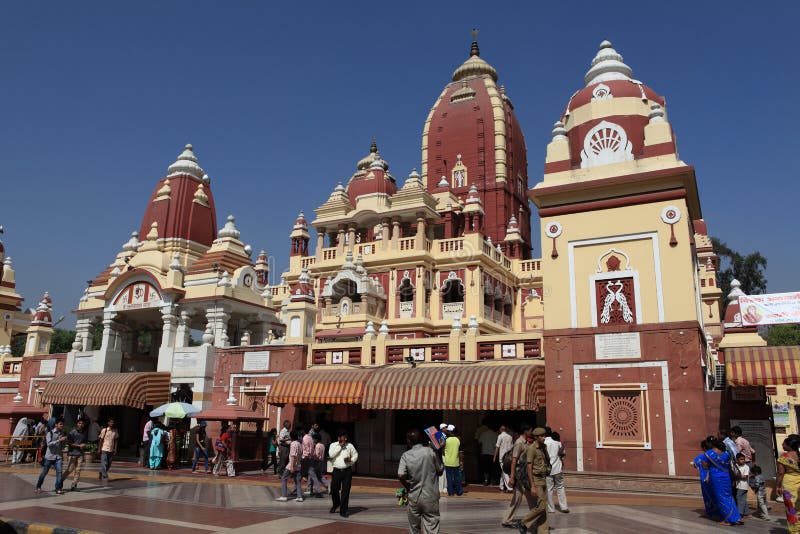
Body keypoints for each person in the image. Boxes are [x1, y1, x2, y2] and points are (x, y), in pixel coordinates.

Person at [399, 429, 444, 534]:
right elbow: (440, 470)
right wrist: (439, 452)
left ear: (409, 441)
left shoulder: (406, 455)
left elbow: (401, 475)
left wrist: (407, 486)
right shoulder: (431, 452)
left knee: (414, 528)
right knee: (432, 526)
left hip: (414, 496)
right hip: (430, 496)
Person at [703, 436, 742, 526]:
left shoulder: (709, 453)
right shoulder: (726, 454)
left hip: (716, 478)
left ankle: (729, 519)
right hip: (726, 477)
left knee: (721, 498)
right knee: (729, 496)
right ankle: (736, 517)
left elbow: (705, 465)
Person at [502, 423, 535, 528]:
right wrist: (512, 477)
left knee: (517, 498)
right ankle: (536, 518)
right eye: (530, 430)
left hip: (523, 474)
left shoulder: (526, 442)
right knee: (531, 498)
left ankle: (507, 520)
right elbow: (514, 460)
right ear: (526, 431)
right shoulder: (519, 442)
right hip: (521, 475)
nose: (531, 432)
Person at [519, 428, 549, 534]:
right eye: (541, 436)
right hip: (536, 479)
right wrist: (532, 485)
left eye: (544, 435)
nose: (544, 437)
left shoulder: (543, 447)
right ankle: (524, 522)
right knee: (541, 507)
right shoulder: (532, 448)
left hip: (543, 478)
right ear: (536, 437)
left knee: (544, 507)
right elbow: (529, 467)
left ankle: (543, 531)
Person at [329, 429, 358, 517]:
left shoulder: (350, 446)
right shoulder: (333, 445)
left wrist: (351, 460)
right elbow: (331, 455)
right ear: (338, 438)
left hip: (347, 471)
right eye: (341, 437)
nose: (343, 439)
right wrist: (340, 447)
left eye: (344, 437)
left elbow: (355, 455)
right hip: (336, 471)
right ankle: (336, 503)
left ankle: (343, 510)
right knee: (334, 489)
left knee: (345, 491)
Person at [34, 418, 67, 495]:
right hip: (49, 456)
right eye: (60, 424)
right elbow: (49, 444)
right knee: (44, 472)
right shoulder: (50, 433)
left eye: (62, 424)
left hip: (58, 456)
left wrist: (64, 442)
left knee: (59, 472)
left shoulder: (62, 433)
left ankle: (58, 488)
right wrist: (59, 440)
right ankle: (38, 486)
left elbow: (62, 445)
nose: (62, 426)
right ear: (56, 425)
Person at [776, 435, 800, 533]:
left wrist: (778, 486)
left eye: (784, 443)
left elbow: (781, 473)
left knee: (791, 509)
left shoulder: (784, 456)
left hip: (789, 485)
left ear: (789, 445)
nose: (782, 444)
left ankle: (795, 530)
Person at [690, 440, 717, 519]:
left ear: (703, 447)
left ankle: (710, 512)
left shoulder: (701, 456)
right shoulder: (715, 455)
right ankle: (717, 512)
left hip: (704, 479)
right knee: (714, 495)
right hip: (715, 478)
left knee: (707, 496)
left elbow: (695, 465)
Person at [544, 430, 568, 514]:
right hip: (558, 469)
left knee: (549, 489)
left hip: (548, 470)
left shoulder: (544, 443)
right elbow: (563, 454)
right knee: (560, 487)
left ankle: (551, 508)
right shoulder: (558, 443)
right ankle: (564, 507)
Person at [277, 430, 303, 502]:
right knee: (297, 481)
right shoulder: (299, 444)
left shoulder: (293, 444)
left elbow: (293, 456)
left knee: (284, 478)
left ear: (291, 437)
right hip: (298, 464)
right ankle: (299, 496)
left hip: (292, 464)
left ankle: (284, 496)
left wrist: (291, 466)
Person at [64, 419, 88, 491]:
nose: (81, 425)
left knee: (78, 470)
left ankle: (74, 485)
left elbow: (85, 442)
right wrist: (79, 446)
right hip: (72, 453)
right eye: (79, 423)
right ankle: (60, 481)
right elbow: (69, 442)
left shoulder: (84, 433)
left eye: (82, 423)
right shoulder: (72, 432)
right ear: (77, 424)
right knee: (69, 469)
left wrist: (84, 445)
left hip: (80, 453)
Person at [443, 424, 463, 496]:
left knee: (449, 478)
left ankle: (451, 493)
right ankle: (459, 492)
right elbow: (460, 452)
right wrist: (461, 461)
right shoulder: (458, 440)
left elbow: (443, 450)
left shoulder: (446, 440)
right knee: (457, 478)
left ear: (449, 431)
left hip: (448, 462)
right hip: (455, 462)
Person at [494, 424, 514, 492]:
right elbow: (512, 447)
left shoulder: (500, 436)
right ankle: (501, 486)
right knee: (504, 471)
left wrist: (494, 457)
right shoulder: (510, 437)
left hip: (502, 457)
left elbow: (497, 447)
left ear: (501, 429)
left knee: (505, 472)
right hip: (509, 457)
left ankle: (510, 488)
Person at [733, 453, 750, 517]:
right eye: (741, 459)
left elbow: (745, 477)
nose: (743, 461)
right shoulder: (735, 466)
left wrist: (737, 476)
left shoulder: (746, 467)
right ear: (737, 460)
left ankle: (740, 513)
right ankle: (747, 512)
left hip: (743, 486)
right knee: (742, 499)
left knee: (739, 498)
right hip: (737, 485)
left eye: (743, 459)